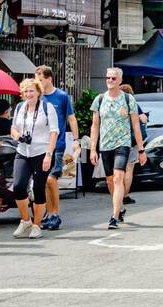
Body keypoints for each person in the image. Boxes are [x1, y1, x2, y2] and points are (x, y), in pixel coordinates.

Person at [89, 68, 144, 230]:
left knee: (118, 178)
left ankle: (113, 217)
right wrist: (93, 149)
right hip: (105, 145)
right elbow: (95, 125)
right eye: (108, 78)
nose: (110, 81)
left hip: (123, 143)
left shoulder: (128, 100)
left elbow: (136, 125)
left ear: (120, 80)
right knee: (110, 180)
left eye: (113, 78)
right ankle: (119, 208)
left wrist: (141, 150)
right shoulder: (99, 100)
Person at [10, 78, 58, 239]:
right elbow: (13, 128)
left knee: (38, 189)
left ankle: (37, 225)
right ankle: (25, 220)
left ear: (38, 92)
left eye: (32, 91)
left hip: (41, 152)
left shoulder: (47, 107)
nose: (28, 94)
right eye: (25, 91)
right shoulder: (19, 107)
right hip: (23, 151)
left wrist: (49, 155)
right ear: (22, 94)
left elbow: (54, 132)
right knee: (18, 186)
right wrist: (17, 135)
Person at [36, 65, 77, 231]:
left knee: (51, 179)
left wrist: (76, 140)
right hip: (40, 146)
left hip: (58, 145)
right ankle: (48, 214)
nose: (37, 83)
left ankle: (55, 214)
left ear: (49, 79)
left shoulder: (61, 96)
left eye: (40, 79)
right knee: (44, 182)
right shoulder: (37, 97)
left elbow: (71, 119)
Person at [117, 84, 150, 219]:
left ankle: (117, 196)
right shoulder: (134, 104)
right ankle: (124, 196)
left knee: (118, 171)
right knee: (129, 170)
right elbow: (144, 119)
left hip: (118, 141)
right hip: (132, 141)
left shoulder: (115, 105)